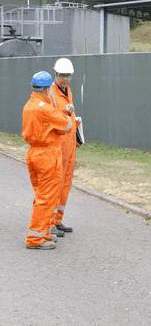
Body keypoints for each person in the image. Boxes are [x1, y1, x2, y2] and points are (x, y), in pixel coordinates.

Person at [22, 71, 72, 250]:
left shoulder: (29, 105)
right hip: (47, 155)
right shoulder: (45, 107)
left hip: (33, 154)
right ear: (47, 89)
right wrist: (67, 114)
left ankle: (43, 232)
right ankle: (35, 238)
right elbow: (66, 125)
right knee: (46, 198)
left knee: (41, 196)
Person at [49, 58, 78, 236]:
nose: (65, 79)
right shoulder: (51, 93)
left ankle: (58, 220)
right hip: (58, 144)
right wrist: (64, 112)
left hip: (69, 144)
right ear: (56, 75)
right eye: (62, 76)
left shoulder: (67, 90)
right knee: (55, 183)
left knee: (65, 183)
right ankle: (49, 222)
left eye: (68, 76)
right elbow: (50, 117)